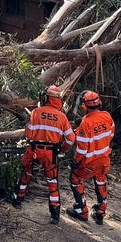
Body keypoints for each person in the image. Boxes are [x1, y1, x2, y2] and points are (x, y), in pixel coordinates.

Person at [10, 85, 75, 223]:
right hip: (51, 153)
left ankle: (17, 200)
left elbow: (29, 133)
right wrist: (62, 149)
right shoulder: (62, 117)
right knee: (52, 181)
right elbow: (71, 139)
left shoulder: (36, 112)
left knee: (26, 174)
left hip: (34, 150)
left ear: (46, 97)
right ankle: (55, 214)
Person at [68, 90, 115, 225]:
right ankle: (100, 212)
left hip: (90, 162)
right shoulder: (107, 116)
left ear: (84, 106)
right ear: (99, 103)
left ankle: (81, 211)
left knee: (75, 179)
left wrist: (76, 161)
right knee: (101, 181)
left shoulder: (85, 123)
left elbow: (82, 149)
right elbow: (110, 134)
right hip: (104, 158)